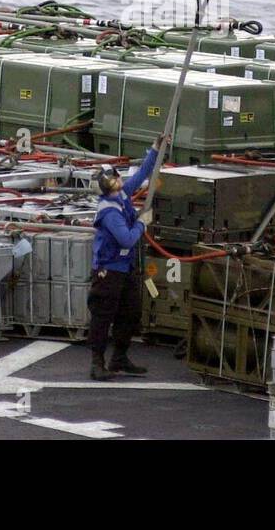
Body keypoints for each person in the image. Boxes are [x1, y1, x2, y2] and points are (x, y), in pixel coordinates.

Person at [87, 139, 165, 381]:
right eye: (114, 180)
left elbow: (141, 173)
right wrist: (143, 222)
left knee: (130, 313)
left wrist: (154, 149)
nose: (120, 181)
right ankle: (97, 363)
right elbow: (127, 239)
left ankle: (119, 357)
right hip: (108, 271)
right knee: (102, 317)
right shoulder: (109, 212)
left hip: (125, 268)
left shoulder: (120, 196)